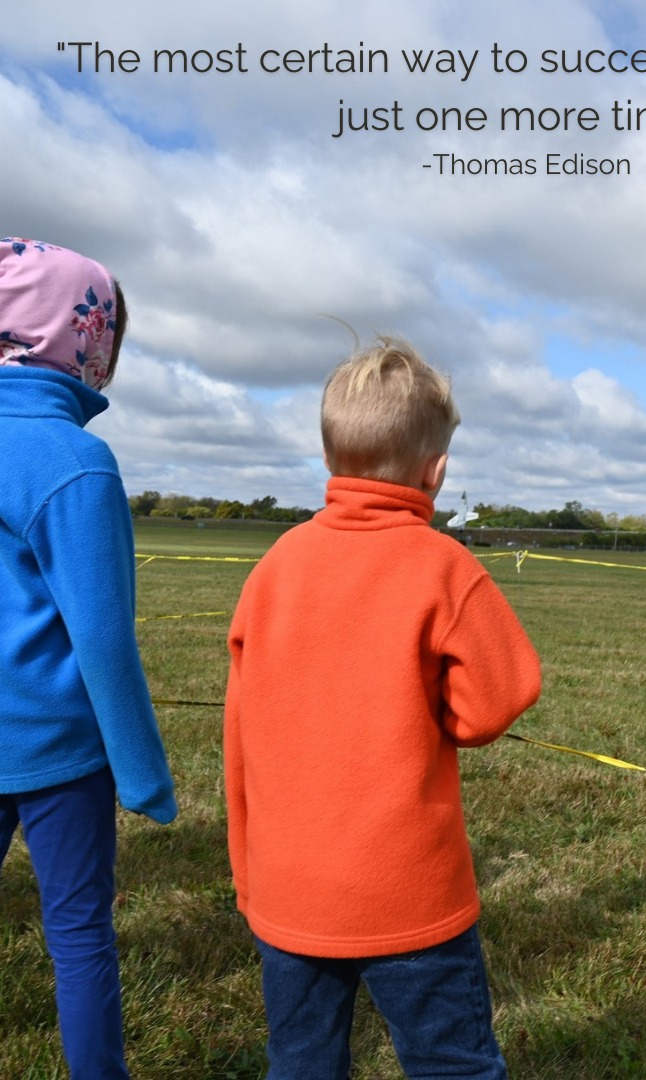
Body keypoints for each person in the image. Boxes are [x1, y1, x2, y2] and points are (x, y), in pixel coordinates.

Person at [225, 337, 542, 1079]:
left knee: (300, 1063)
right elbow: (496, 701)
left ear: (332, 455)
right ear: (436, 471)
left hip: (288, 890)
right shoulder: (443, 565)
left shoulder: (275, 567)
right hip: (410, 896)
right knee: (451, 1064)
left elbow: (238, 733)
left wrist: (248, 872)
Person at [0, 237, 178, 1078]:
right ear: (83, 343)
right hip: (59, 753)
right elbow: (102, 637)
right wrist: (143, 774)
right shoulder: (74, 461)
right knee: (78, 935)